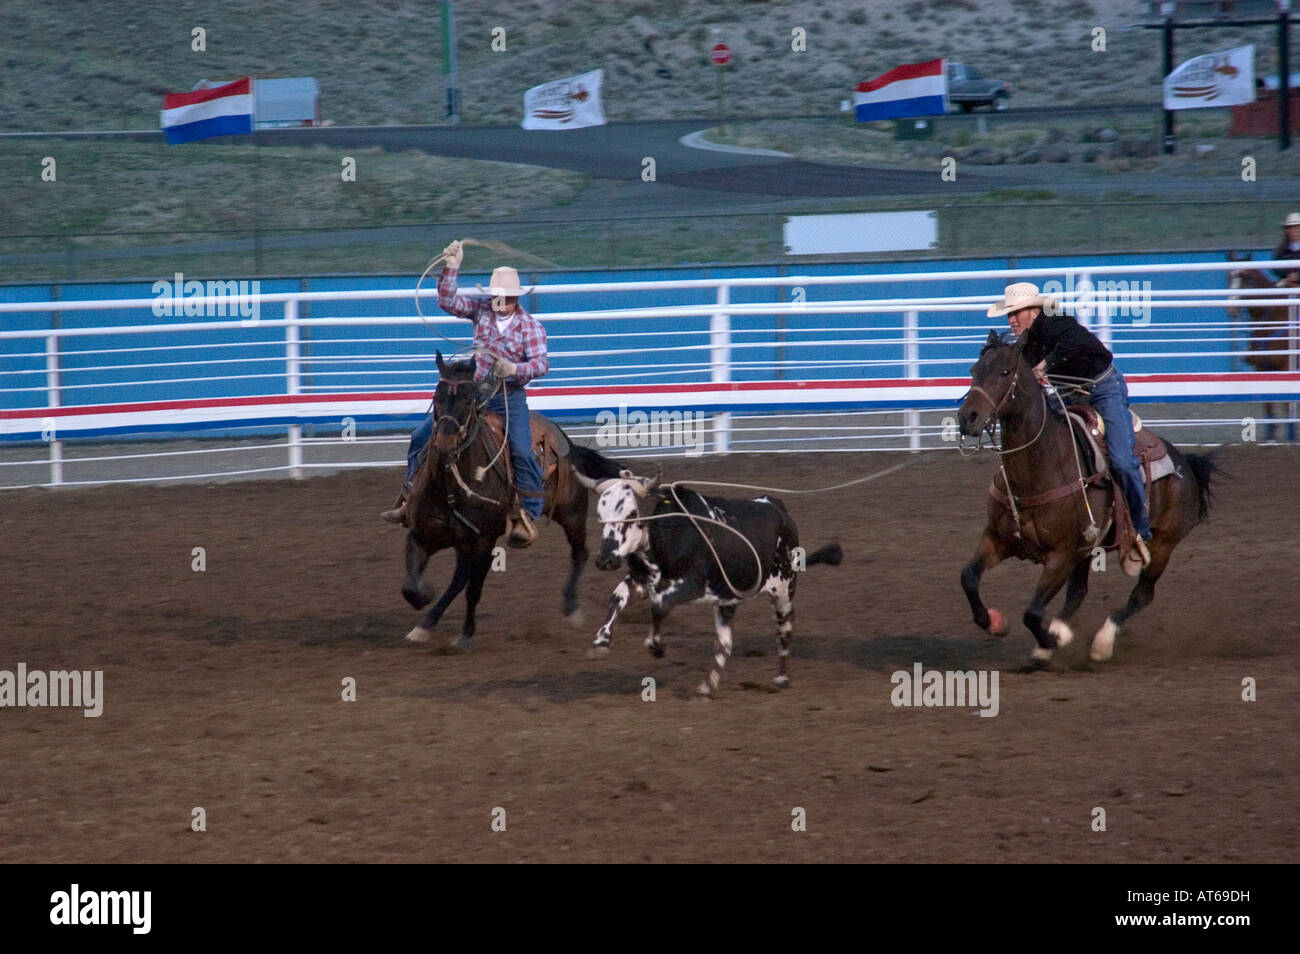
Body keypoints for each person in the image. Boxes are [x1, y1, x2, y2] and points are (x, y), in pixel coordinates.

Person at [381, 240, 548, 547]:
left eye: (507, 296)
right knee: (422, 436)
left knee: (522, 450)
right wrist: (451, 268)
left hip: (509, 396)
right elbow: (447, 301)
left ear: (515, 297)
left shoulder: (531, 327)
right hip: (477, 393)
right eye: (498, 295)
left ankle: (526, 513)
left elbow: (540, 365)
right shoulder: (480, 310)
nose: (502, 300)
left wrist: (514, 370)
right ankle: (409, 497)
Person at [987, 281, 1152, 570]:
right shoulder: (1025, 344)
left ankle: (1141, 525)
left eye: (1017, 312)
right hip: (1069, 393)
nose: (1012, 319)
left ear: (1035, 311)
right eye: (1009, 315)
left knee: (1123, 460)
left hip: (1103, 388)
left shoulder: (1057, 323)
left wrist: (1046, 365)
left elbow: (1077, 345)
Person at [1269, 212, 1300, 285]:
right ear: (1287, 231)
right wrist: (1287, 275)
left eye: (1297, 228)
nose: (1294, 231)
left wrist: (1298, 275)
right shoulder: (1282, 248)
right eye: (1291, 228)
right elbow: (1275, 266)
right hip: (1286, 281)